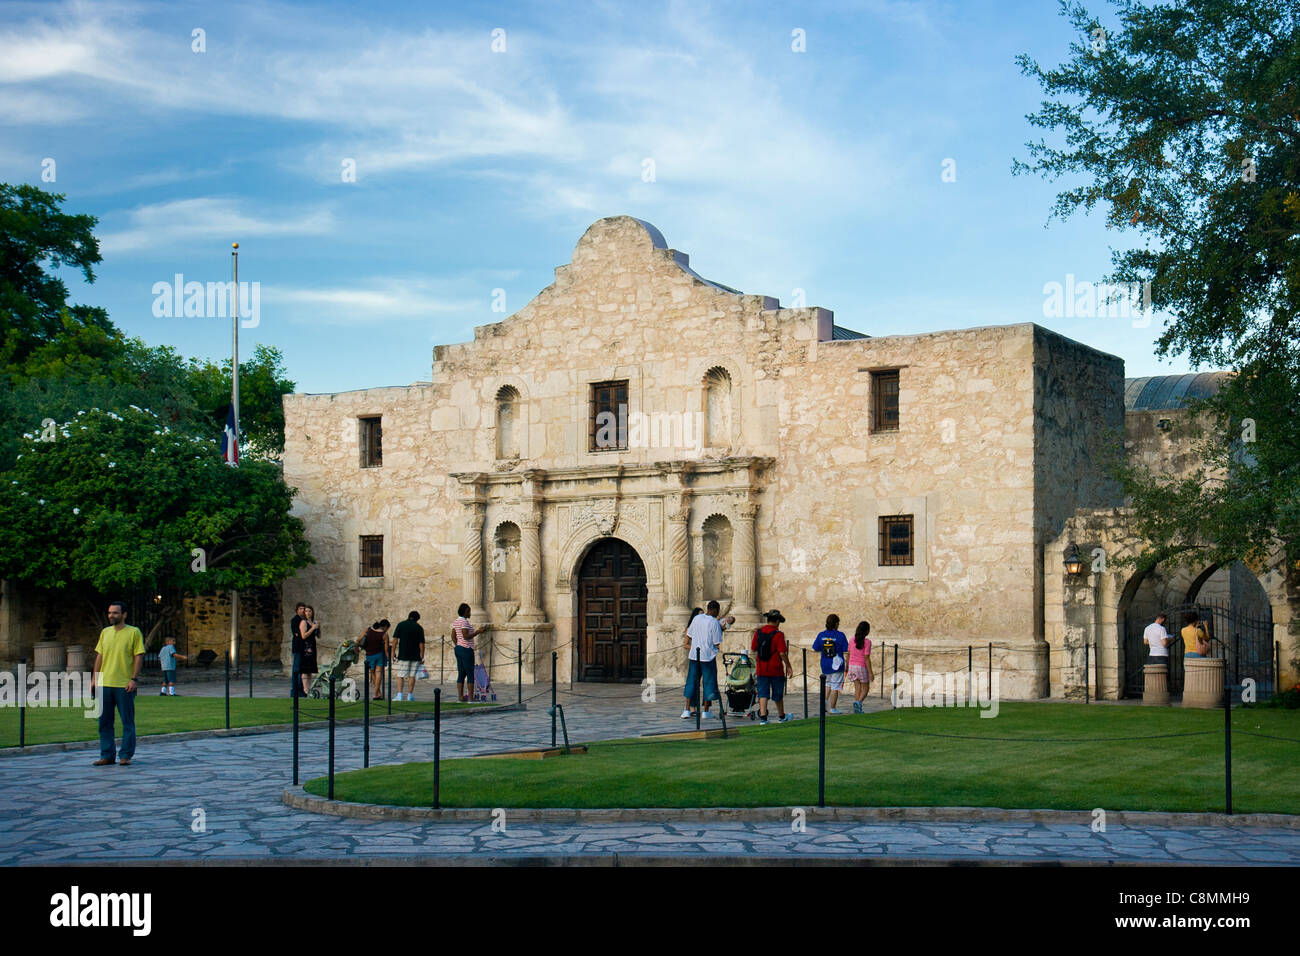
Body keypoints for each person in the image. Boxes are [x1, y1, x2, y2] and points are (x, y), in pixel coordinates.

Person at [91, 601, 144, 766]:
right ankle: (107, 755)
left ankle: (125, 755)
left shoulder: (134, 632)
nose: (111, 615)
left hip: (124, 685)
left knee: (127, 721)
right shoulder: (105, 633)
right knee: (104, 722)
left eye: (115, 612)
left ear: (124, 614)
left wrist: (134, 679)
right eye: (109, 612)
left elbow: (139, 656)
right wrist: (94, 679)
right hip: (105, 684)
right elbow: (100, 656)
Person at [682, 600, 724, 719]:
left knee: (691, 682)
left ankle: (687, 709)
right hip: (707, 657)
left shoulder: (697, 618)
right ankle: (706, 711)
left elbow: (690, 634)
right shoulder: (714, 623)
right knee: (708, 683)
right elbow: (716, 643)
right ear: (715, 610)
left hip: (694, 655)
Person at [751, 609, 793, 724]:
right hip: (775, 669)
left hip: (762, 668)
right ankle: (781, 716)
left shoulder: (758, 632)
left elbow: (753, 648)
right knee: (778, 694)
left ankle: (763, 718)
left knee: (763, 693)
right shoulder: (778, 634)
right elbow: (782, 653)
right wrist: (788, 666)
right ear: (777, 621)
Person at [814, 613, 850, 714]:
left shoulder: (821, 635)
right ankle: (833, 708)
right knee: (835, 686)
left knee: (827, 684)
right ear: (836, 624)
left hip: (825, 664)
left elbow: (816, 648)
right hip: (837, 665)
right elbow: (846, 649)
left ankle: (824, 706)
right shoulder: (840, 635)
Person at [452, 604, 489, 702]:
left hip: (459, 649)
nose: (470, 613)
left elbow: (453, 635)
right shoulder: (464, 622)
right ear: (464, 612)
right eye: (468, 611)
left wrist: (458, 645)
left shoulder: (456, 621)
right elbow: (466, 636)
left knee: (461, 673)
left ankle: (460, 697)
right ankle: (471, 698)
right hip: (466, 649)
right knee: (470, 673)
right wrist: (478, 632)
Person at [390, 611, 424, 702]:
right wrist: (422, 656)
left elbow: (395, 640)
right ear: (417, 619)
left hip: (403, 655)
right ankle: (410, 695)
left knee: (400, 675)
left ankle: (400, 695)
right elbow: (421, 644)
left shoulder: (401, 625)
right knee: (412, 676)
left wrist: (393, 653)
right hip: (415, 656)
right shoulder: (419, 627)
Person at [847, 621, 874, 713]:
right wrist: (870, 672)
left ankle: (857, 709)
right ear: (867, 631)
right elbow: (867, 658)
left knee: (857, 688)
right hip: (861, 667)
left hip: (852, 666)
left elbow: (848, 654)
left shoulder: (851, 640)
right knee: (865, 688)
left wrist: (846, 667)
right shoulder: (867, 642)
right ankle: (858, 703)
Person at [360, 619, 390, 699]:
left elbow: (359, 639)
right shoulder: (384, 635)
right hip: (379, 655)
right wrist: (388, 658)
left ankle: (377, 693)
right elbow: (386, 649)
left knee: (372, 673)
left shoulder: (368, 630)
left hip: (369, 655)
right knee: (378, 673)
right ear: (386, 627)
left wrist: (356, 647)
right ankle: (376, 693)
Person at [296, 606, 320, 697]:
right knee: (305, 670)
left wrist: (318, 627)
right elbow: (303, 636)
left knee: (310, 670)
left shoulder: (313, 622)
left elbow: (318, 636)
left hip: (312, 647)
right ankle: (305, 689)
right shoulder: (303, 622)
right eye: (306, 611)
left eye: (310, 611)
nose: (308, 613)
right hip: (306, 647)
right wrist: (313, 628)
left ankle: (310, 689)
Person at [289, 601, 306, 697]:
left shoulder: (305, 620)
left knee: (302, 670)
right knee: (296, 668)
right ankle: (295, 689)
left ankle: (301, 688)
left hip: (304, 648)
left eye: (303, 609)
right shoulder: (295, 620)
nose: (302, 611)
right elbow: (297, 633)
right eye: (300, 609)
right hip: (298, 647)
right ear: (297, 610)